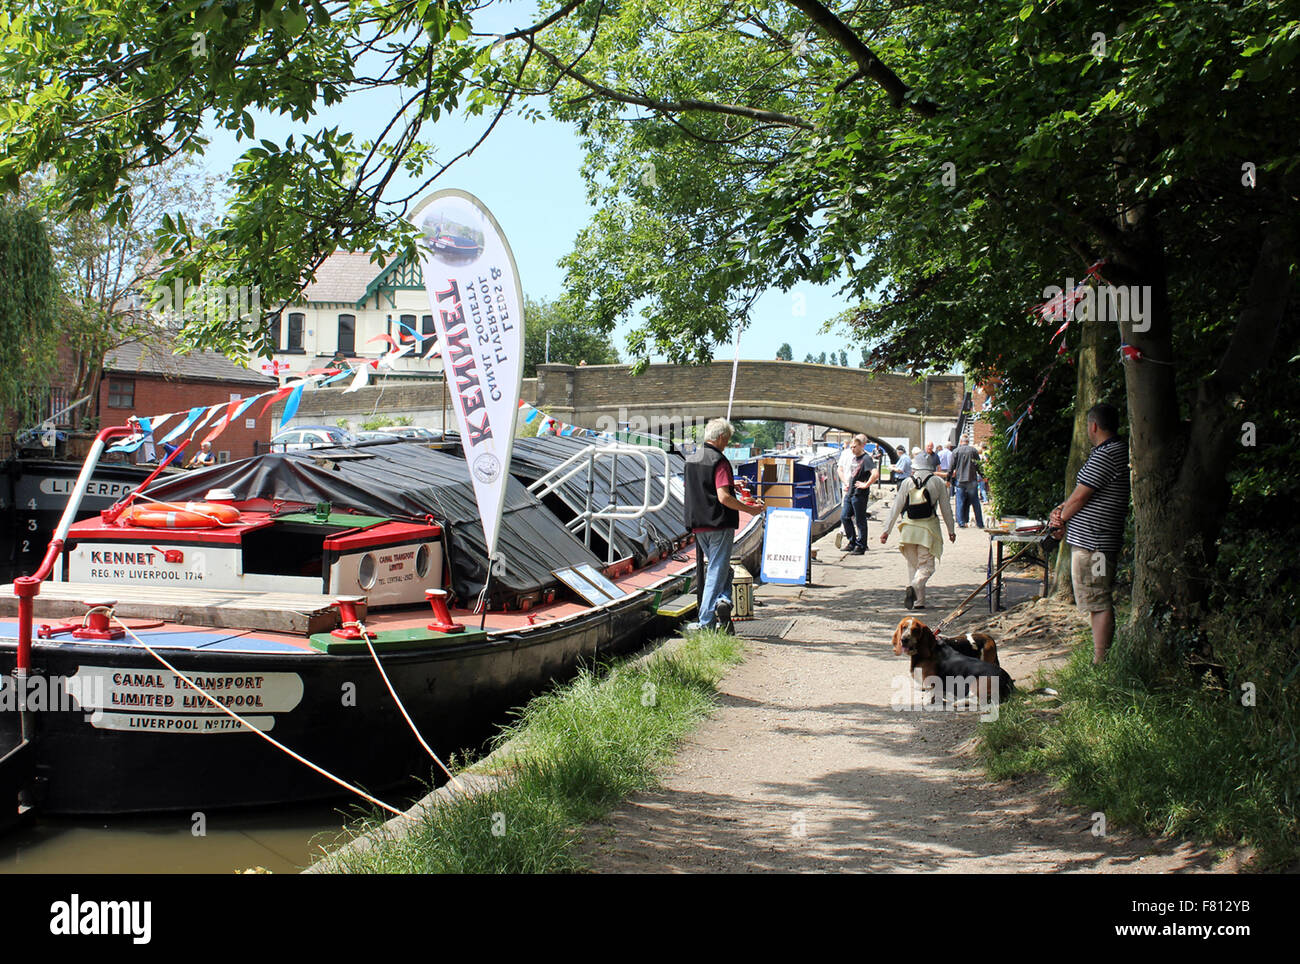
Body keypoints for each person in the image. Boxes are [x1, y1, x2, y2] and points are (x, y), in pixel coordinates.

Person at [1049, 403, 1130, 664]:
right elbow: (1080, 495)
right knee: (1096, 598)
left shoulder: (1106, 454)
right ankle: (1100, 658)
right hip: (1096, 539)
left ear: (1093, 426)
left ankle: (1100, 661)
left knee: (1097, 599)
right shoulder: (1114, 450)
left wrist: (1058, 521)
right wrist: (1060, 511)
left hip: (1094, 542)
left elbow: (1081, 497)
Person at [685, 418, 764, 632]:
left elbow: (702, 485)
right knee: (717, 570)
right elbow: (723, 498)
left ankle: (724, 601)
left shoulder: (692, 458)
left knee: (722, 570)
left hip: (698, 523)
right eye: (726, 440)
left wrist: (731, 483)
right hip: (718, 523)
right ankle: (706, 622)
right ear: (720, 438)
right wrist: (751, 510)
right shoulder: (719, 461)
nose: (726, 444)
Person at [880, 451, 956, 609]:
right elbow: (946, 508)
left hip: (908, 529)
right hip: (927, 530)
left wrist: (886, 530)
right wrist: (951, 529)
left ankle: (918, 602)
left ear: (915, 466)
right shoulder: (938, 482)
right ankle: (914, 588)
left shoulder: (907, 482)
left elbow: (897, 507)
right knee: (926, 567)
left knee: (913, 566)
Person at [836, 434, 879, 554]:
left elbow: (875, 473)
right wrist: (847, 483)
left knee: (860, 520)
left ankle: (861, 545)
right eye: (851, 447)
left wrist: (866, 484)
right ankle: (852, 541)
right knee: (844, 517)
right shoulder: (854, 458)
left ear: (861, 446)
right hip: (850, 492)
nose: (852, 449)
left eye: (854, 447)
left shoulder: (866, 459)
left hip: (859, 494)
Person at [950, 435, 984, 529]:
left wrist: (949, 479)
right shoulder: (973, 451)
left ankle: (961, 522)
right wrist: (983, 476)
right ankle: (980, 523)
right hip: (971, 479)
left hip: (960, 480)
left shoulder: (956, 451)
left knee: (960, 502)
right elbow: (978, 465)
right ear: (968, 442)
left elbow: (951, 466)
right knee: (975, 502)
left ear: (961, 441)